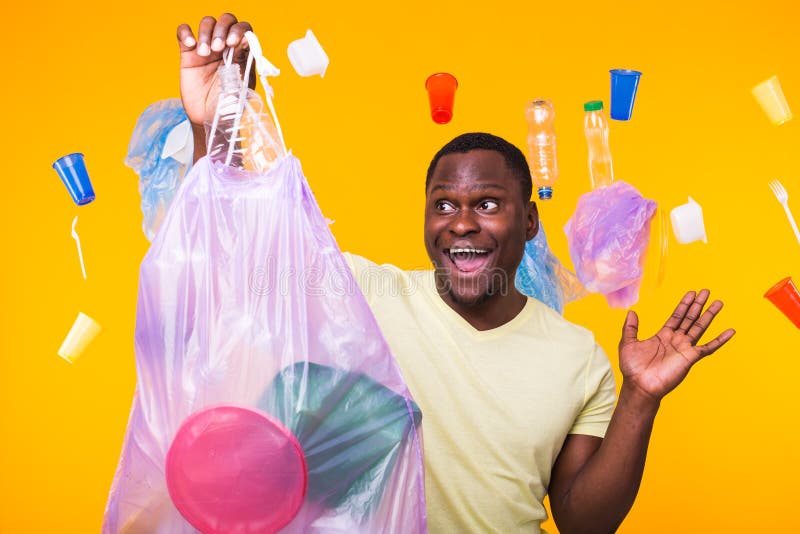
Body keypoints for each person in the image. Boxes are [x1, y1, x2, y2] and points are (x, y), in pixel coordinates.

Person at [174, 14, 736, 533]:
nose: (462, 223)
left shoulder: (578, 357)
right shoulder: (364, 294)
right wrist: (216, 120)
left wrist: (641, 396)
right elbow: (231, 251)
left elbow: (582, 522)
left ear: (531, 221)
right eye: (443, 205)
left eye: (488, 204)